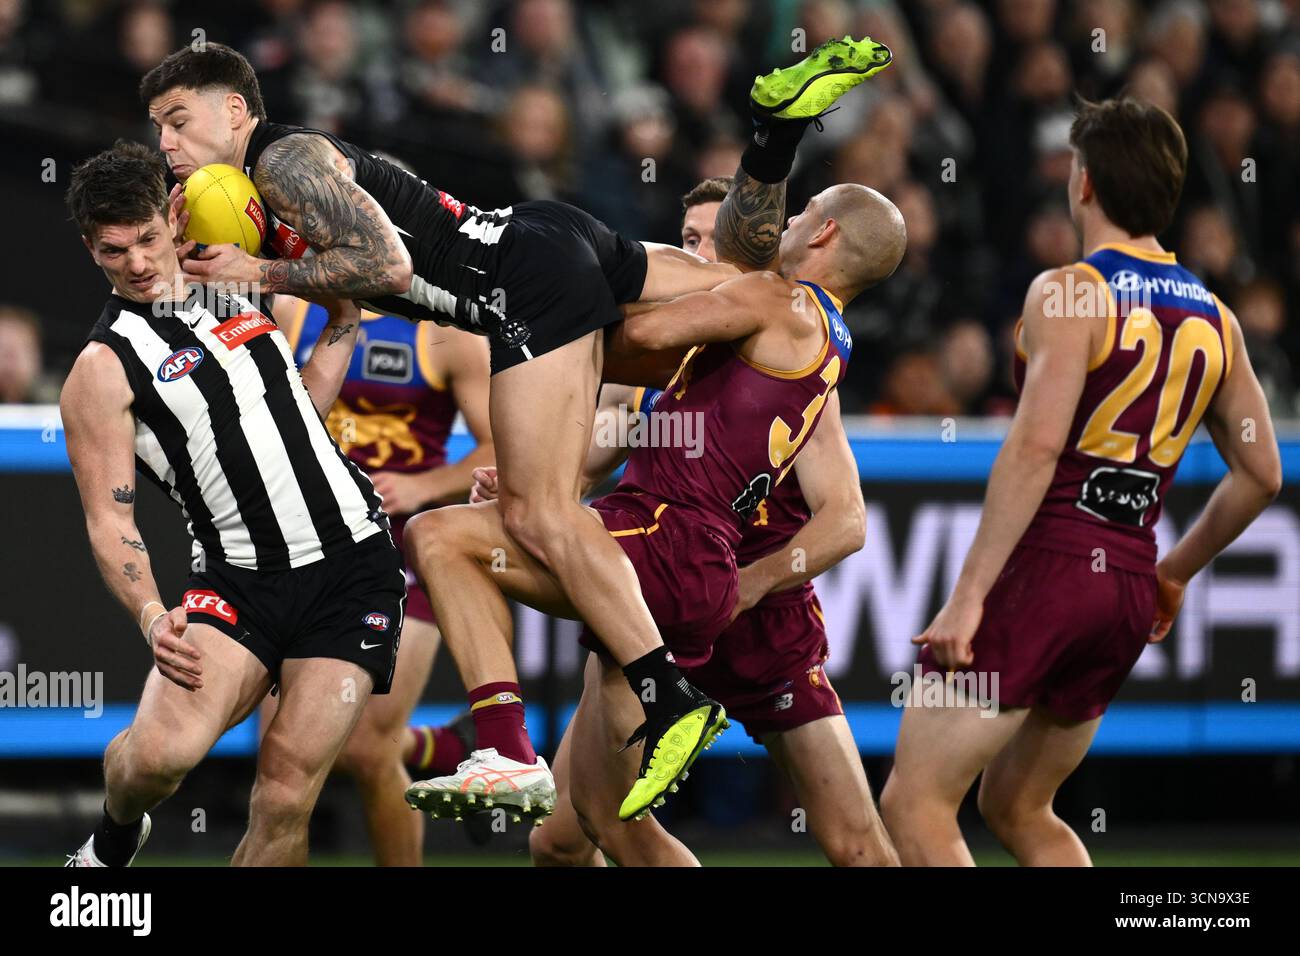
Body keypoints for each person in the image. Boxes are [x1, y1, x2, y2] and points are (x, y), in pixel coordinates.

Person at [140, 37, 892, 816]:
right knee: (741, 277)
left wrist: (256, 269)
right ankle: (772, 137)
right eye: (157, 126)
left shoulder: (284, 162)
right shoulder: (268, 183)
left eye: (177, 119)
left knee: (535, 512)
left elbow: (388, 268)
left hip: (519, 287)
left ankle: (660, 699)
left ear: (235, 111)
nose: (165, 141)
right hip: (548, 239)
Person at [404, 149, 907, 862]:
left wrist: (521, 294)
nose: (690, 263)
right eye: (687, 245)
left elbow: (632, 337)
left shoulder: (773, 305)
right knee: (582, 832)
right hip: (673, 560)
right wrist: (531, 477)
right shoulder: (787, 347)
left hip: (704, 568)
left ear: (814, 236)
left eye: (705, 245)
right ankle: (513, 746)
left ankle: (503, 743)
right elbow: (595, 443)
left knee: (443, 540)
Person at [880, 97, 1283, 866]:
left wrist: (968, 596)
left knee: (914, 803)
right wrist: (1172, 571)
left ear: (1086, 184)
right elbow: (1261, 474)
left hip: (1050, 566)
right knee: (1020, 806)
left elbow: (1035, 449)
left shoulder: (1070, 291)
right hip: (1126, 577)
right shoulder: (1217, 319)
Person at [61, 141, 404, 867]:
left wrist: (340, 320)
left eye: (149, 239)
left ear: (171, 215)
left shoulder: (236, 278)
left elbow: (298, 407)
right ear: (91, 249)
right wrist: (152, 615)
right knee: (154, 761)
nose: (139, 263)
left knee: (285, 794)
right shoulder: (103, 367)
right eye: (114, 251)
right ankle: (118, 829)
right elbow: (109, 519)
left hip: (354, 568)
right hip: (237, 581)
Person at [254, 294, 493, 865]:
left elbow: (499, 449)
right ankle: (442, 746)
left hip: (403, 554)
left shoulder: (446, 334)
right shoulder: (293, 310)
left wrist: (426, 485)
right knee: (280, 756)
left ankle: (431, 750)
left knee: (365, 748)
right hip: (307, 545)